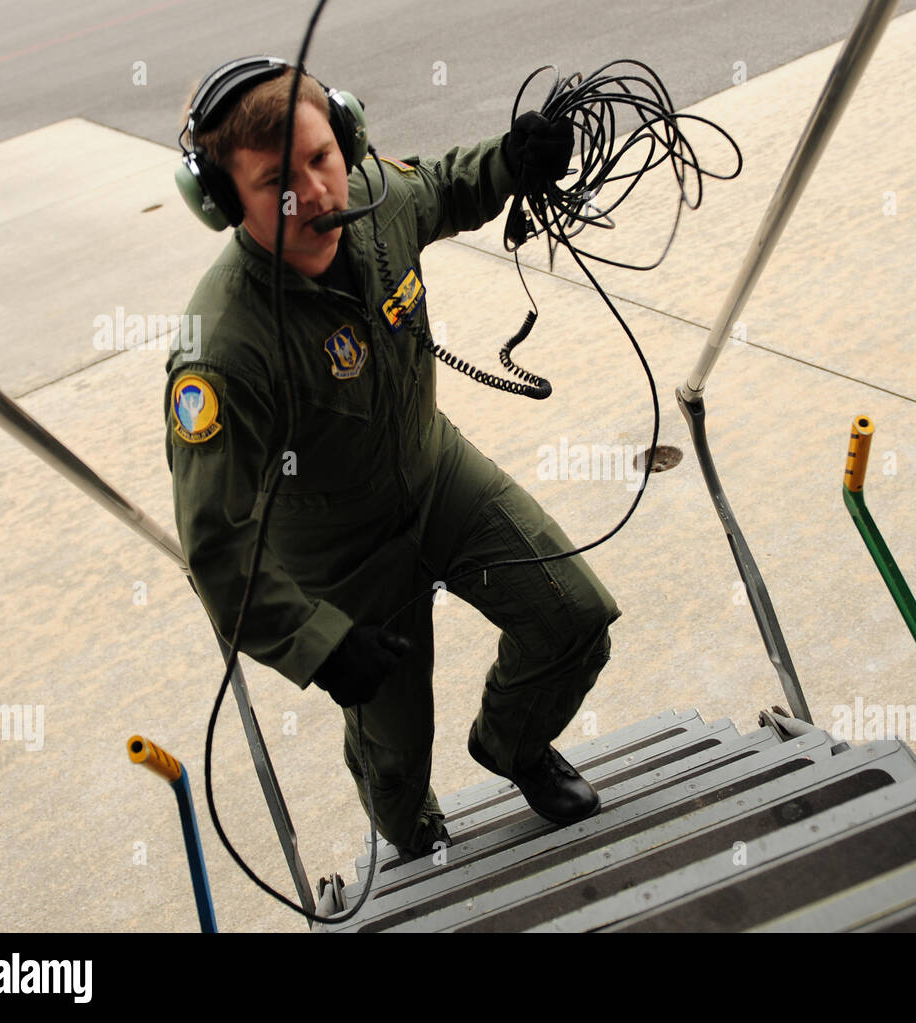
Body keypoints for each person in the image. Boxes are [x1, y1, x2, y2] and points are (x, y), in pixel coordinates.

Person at [165, 56, 621, 862]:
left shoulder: (375, 203)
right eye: (276, 180)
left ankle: (512, 745)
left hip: (434, 472)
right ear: (225, 201)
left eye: (322, 157)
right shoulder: (222, 349)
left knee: (574, 618)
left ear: (346, 140)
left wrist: (511, 161)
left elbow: (444, 188)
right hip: (340, 557)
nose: (315, 191)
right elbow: (216, 547)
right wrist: (320, 644)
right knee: (398, 748)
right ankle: (412, 837)